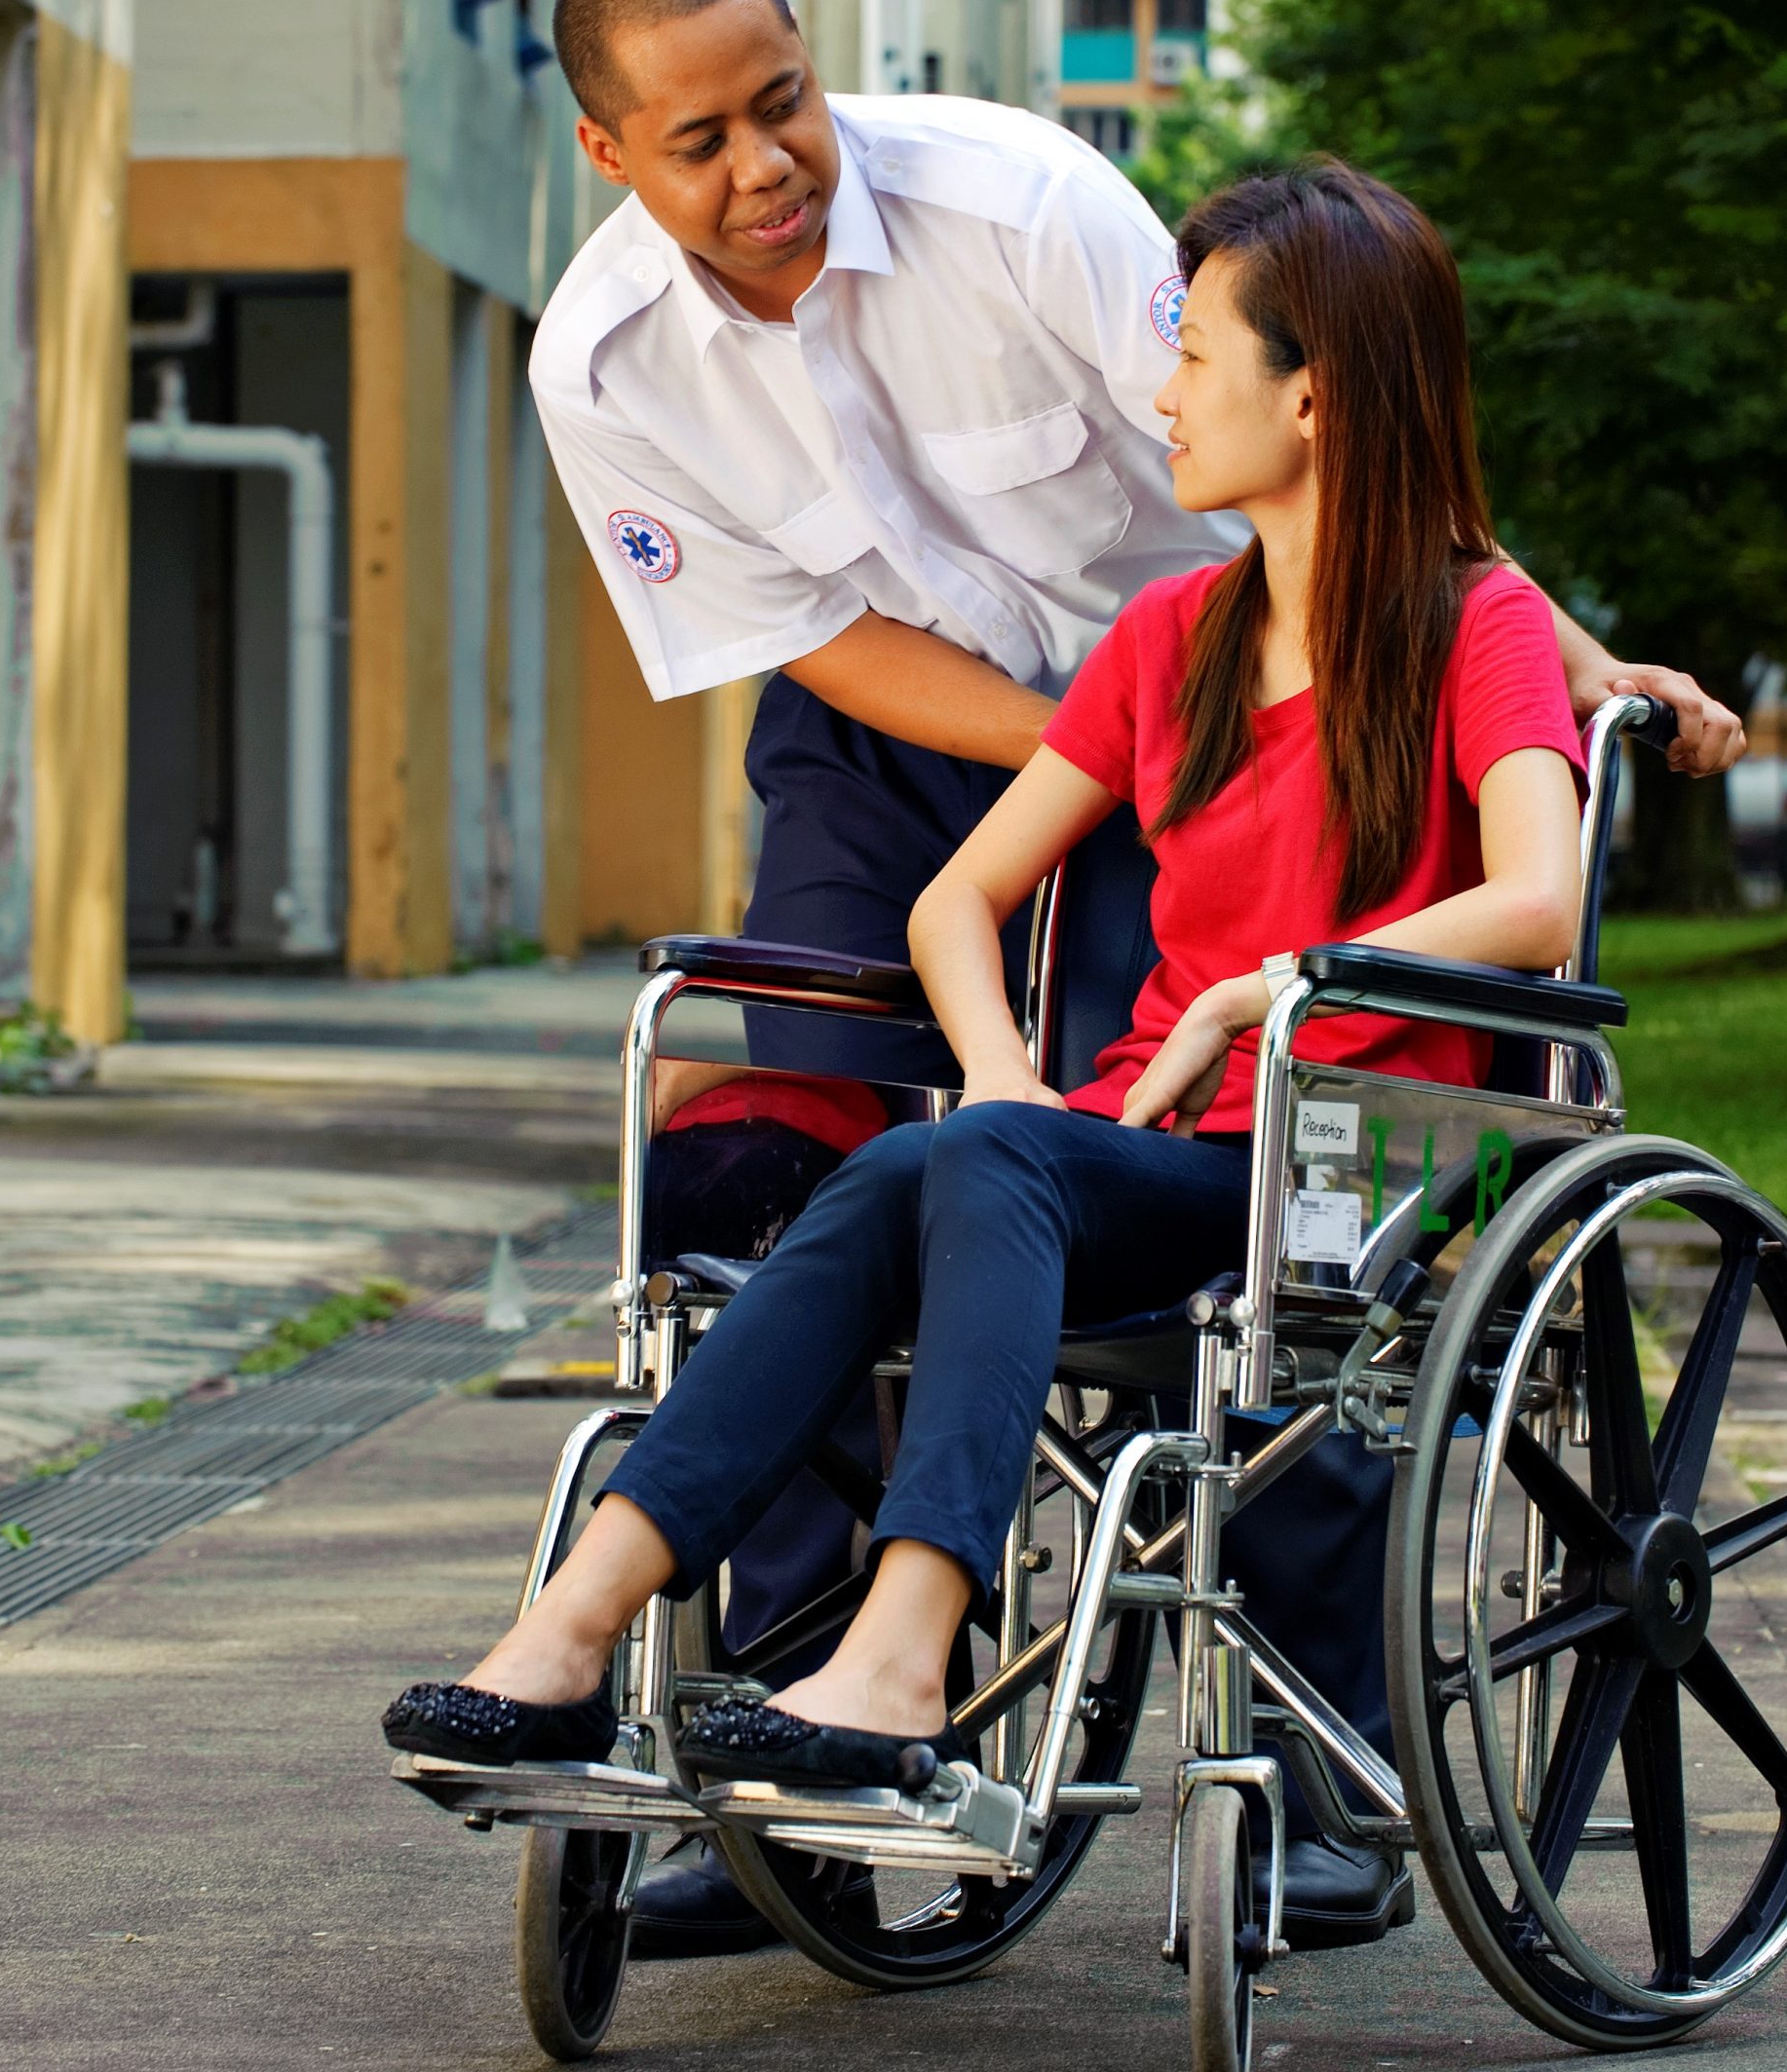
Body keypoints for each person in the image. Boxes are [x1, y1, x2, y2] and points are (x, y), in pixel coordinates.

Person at [522, 0, 1744, 1952]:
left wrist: (1549, 661)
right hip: (959, 725)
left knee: (1282, 1199)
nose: (763, 166)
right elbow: (824, 637)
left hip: (1248, 695)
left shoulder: (1020, 205)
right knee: (804, 1155)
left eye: (784, 102)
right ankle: (798, 1754)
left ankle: (1325, 1762)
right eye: (700, 139)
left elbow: (1354, 443)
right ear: (607, 154)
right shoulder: (601, 365)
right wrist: (1125, 747)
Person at [389, 163, 1590, 1892]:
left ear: (1313, 391)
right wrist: (1012, 1075)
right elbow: (958, 899)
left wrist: (1274, 988)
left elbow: (1538, 896)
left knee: (983, 1162)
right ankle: (574, 1632)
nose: (1159, 389)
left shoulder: (1477, 626)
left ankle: (885, 1666)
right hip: (1152, 1154)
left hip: (1344, 1160)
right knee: (934, 1163)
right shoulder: (1174, 635)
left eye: (1197, 354)